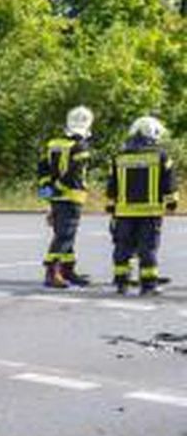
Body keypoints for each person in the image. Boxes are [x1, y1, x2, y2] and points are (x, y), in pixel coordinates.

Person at [106, 115, 178, 295]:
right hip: (150, 212)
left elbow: (112, 185)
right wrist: (171, 202)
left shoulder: (119, 156)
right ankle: (148, 285)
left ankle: (121, 283)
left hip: (123, 213)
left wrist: (111, 206)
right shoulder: (161, 156)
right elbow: (168, 182)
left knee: (122, 247)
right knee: (148, 248)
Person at [36, 106, 95, 288]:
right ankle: (52, 272)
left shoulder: (53, 144)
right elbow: (74, 175)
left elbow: (42, 168)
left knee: (65, 235)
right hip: (72, 197)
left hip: (55, 197)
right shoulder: (81, 147)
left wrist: (48, 189)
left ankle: (68, 270)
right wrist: (58, 188)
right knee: (65, 235)